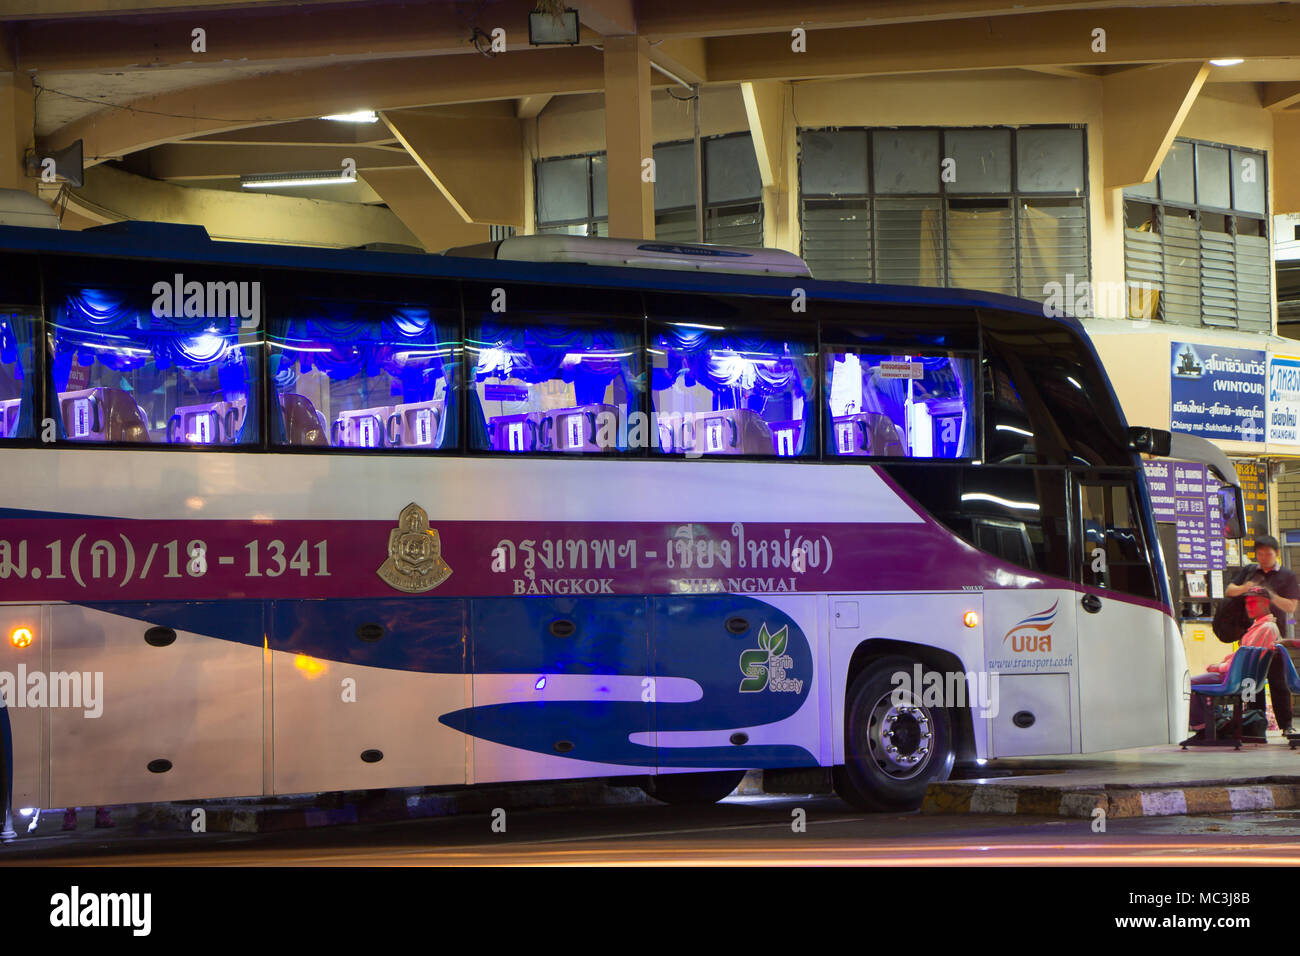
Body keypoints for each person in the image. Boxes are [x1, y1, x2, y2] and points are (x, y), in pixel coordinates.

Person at [1225, 535, 1300, 732]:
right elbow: (1230, 590)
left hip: (1274, 636)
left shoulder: (1287, 576)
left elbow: (1291, 605)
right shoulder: (1250, 571)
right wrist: (1246, 588)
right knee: (1250, 681)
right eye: (1260, 554)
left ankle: (1286, 726)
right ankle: (1254, 725)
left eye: (1268, 553)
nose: (1264, 557)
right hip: (1251, 634)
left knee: (1278, 681)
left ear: (1276, 554)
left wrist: (1270, 595)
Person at [1184, 586, 1279, 743]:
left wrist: (1220, 667)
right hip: (1236, 676)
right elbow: (1242, 657)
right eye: (1247, 603)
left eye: (1254, 602)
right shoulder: (1259, 627)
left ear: (1266, 603)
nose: (1249, 606)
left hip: (1236, 679)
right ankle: (1215, 723)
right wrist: (1224, 662)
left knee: (1190, 685)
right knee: (1198, 683)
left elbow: (1246, 663)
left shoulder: (1265, 629)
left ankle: (1204, 729)